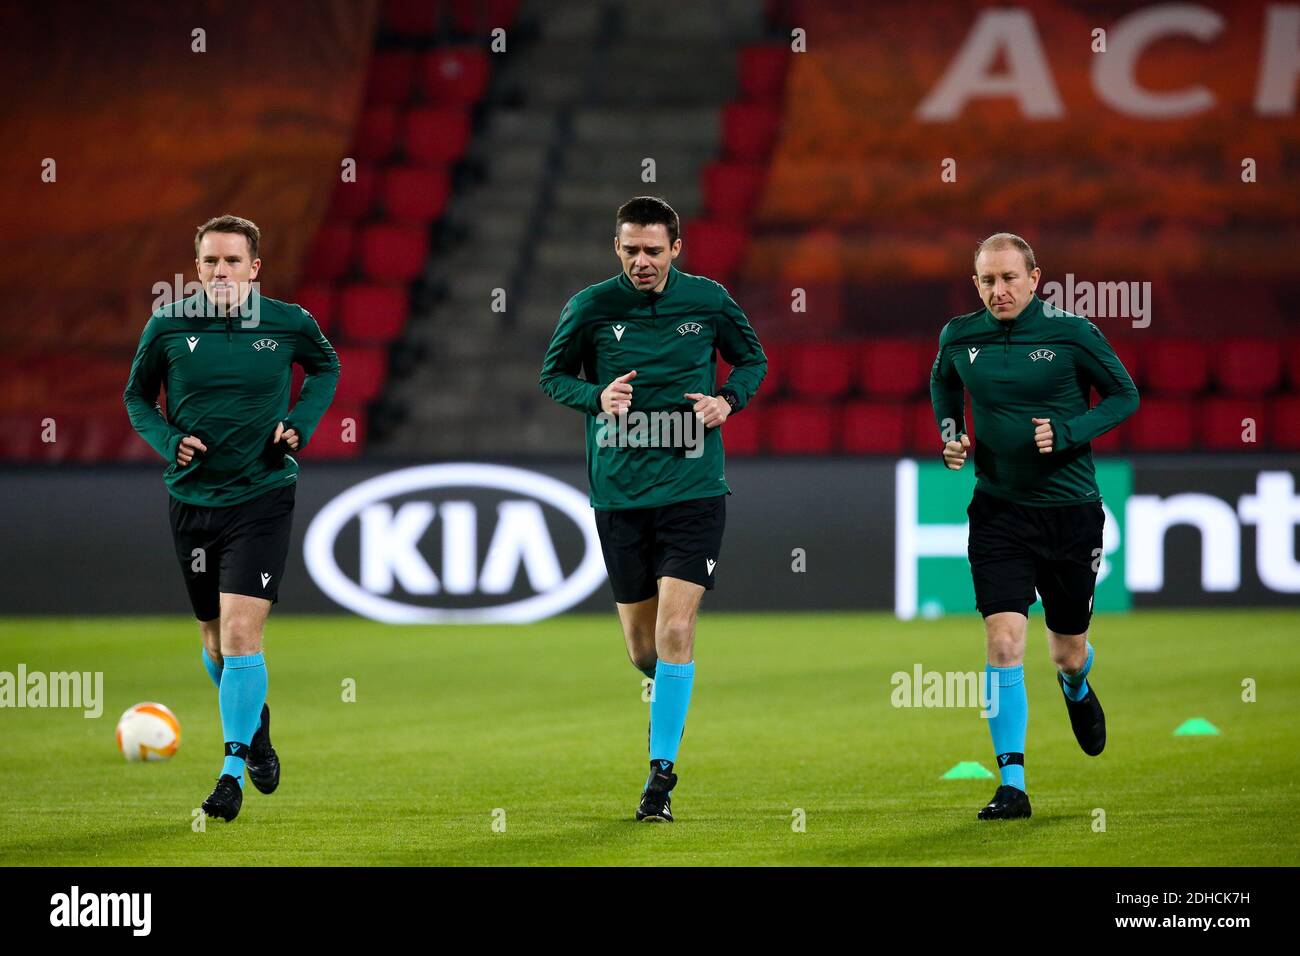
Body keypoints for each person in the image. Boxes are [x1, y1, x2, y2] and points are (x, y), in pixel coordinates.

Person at [539, 196, 767, 822]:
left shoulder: (709, 300)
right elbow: (552, 375)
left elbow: (752, 359)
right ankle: (671, 680)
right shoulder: (590, 307)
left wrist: (728, 400)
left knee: (674, 631)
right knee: (645, 651)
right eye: (630, 249)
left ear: (676, 249)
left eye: (653, 250)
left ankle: (659, 779)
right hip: (620, 496)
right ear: (617, 248)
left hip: (694, 490)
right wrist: (595, 395)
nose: (641, 261)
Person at [124, 214, 340, 821]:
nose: (222, 271)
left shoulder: (289, 322)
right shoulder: (169, 325)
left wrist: (300, 423)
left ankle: (230, 773)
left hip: (262, 495)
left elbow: (326, 369)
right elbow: (137, 396)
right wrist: (169, 441)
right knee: (216, 648)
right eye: (211, 262)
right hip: (193, 501)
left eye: (233, 262)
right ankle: (259, 728)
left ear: (255, 268)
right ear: (196, 268)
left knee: (243, 637)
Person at [930, 232, 1139, 820]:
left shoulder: (1072, 334)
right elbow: (943, 383)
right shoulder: (959, 336)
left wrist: (1069, 431)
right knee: (1002, 641)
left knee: (1067, 652)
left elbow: (1125, 396)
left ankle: (1076, 684)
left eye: (1008, 279)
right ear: (976, 284)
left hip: (1071, 514)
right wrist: (950, 435)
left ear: (1035, 278)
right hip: (999, 511)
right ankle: (1012, 784)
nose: (998, 290)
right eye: (987, 281)